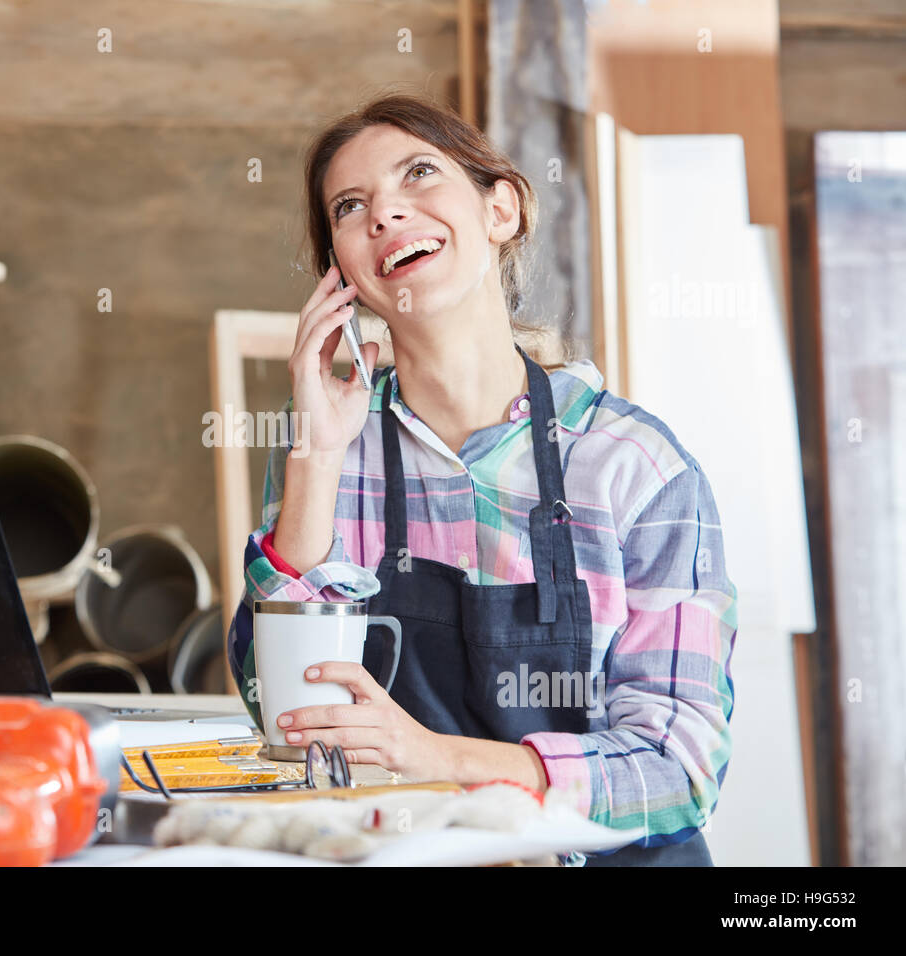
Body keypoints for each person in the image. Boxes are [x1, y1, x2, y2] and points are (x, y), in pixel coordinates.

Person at [224, 93, 738, 866]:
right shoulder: (331, 455)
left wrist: (439, 758)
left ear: (502, 210)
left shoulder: (636, 469)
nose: (386, 215)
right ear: (342, 275)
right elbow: (285, 715)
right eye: (350, 205)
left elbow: (679, 770)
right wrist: (317, 457)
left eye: (419, 175)